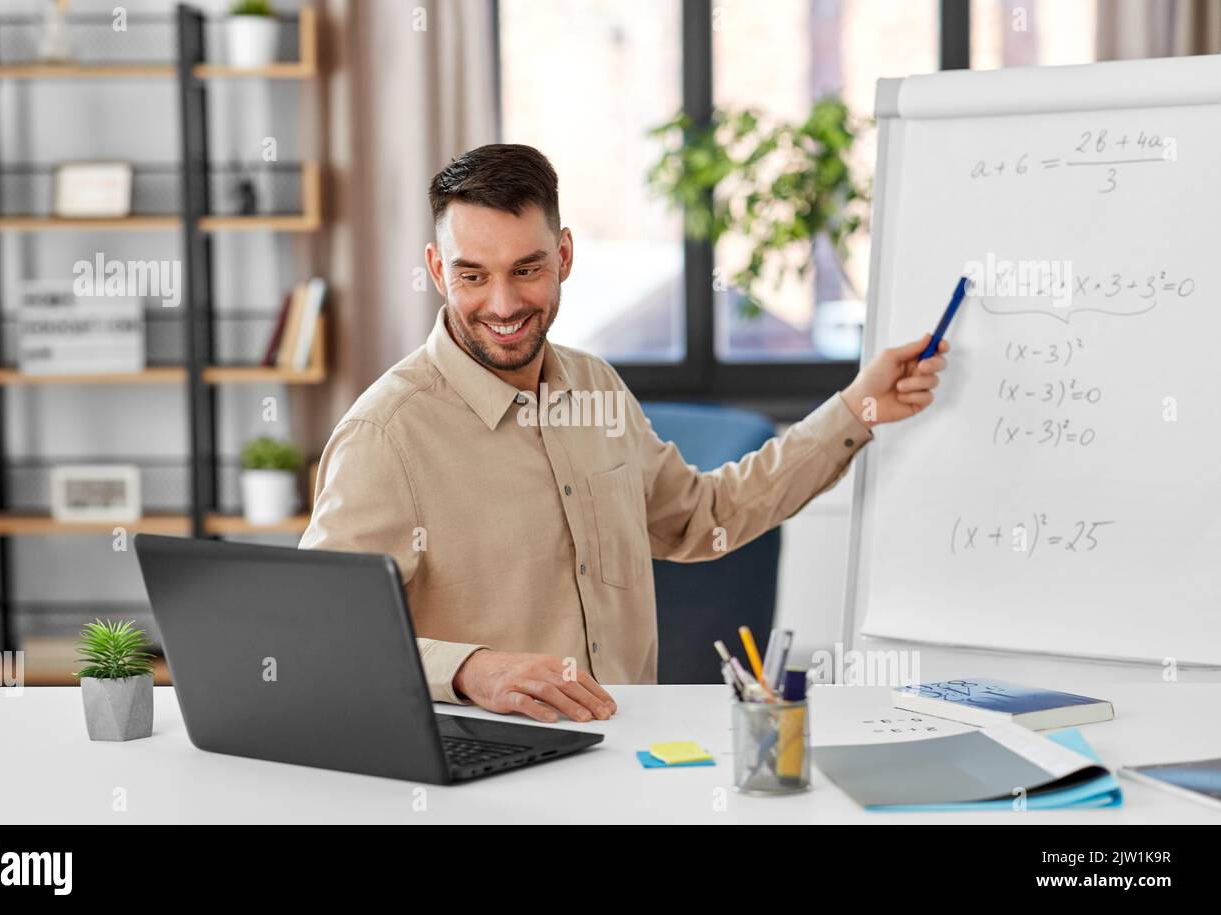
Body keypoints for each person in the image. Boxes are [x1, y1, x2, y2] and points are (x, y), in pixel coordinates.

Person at [300, 144, 949, 724]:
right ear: (438, 270)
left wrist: (857, 408)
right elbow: (318, 633)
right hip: (484, 779)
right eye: (474, 275)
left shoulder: (596, 388)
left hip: (628, 752)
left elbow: (702, 518)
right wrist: (468, 670)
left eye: (527, 269)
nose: (501, 304)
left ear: (564, 256)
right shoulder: (385, 436)